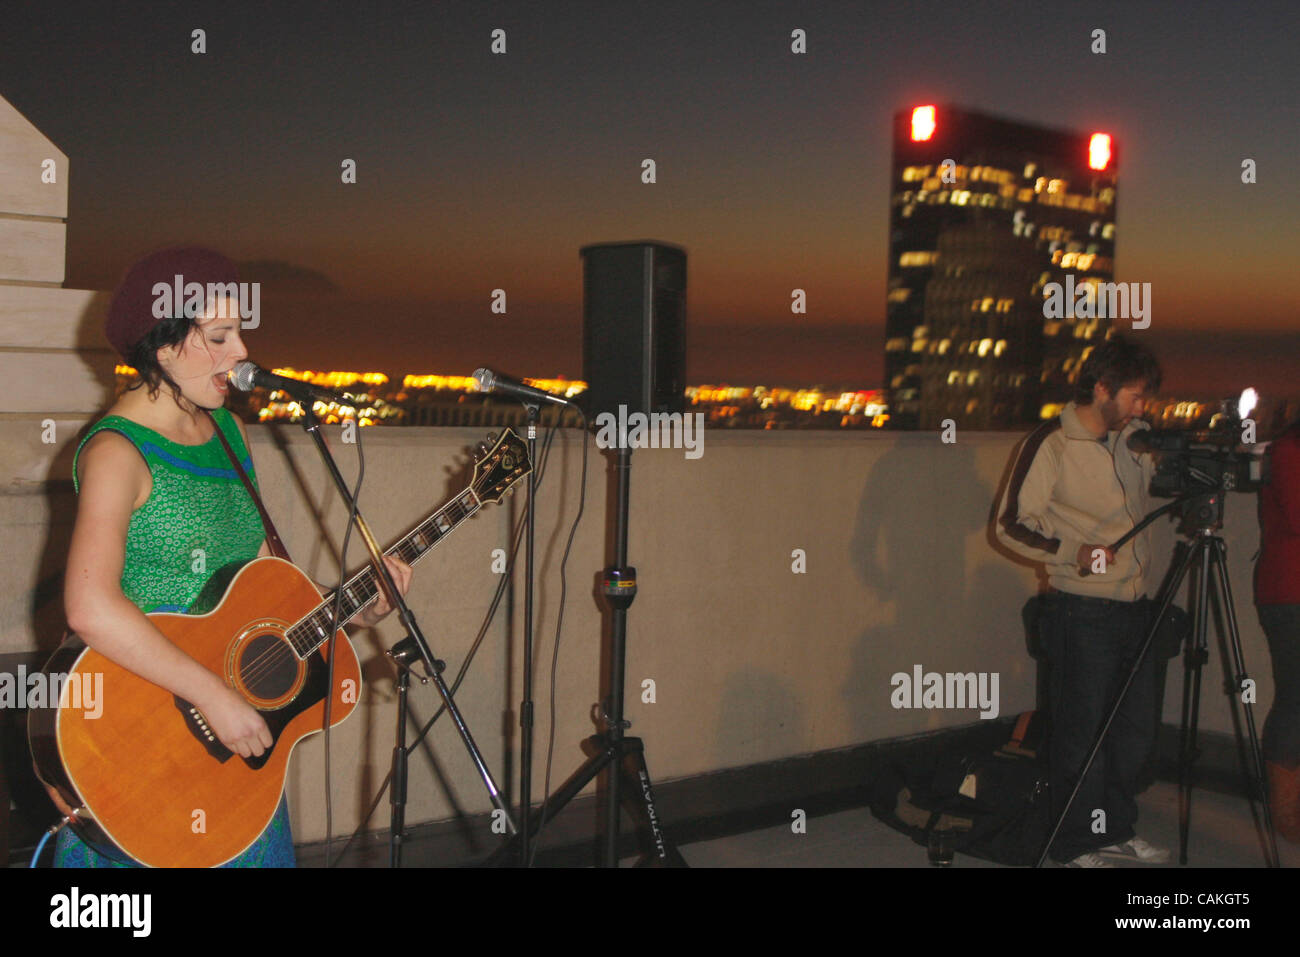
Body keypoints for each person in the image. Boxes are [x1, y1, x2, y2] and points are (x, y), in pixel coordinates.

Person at [47, 247, 411, 867]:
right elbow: (88, 608)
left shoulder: (228, 433)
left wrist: (357, 610)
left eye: (239, 331)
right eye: (220, 335)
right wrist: (212, 695)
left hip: (234, 762)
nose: (242, 351)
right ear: (164, 349)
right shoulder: (116, 452)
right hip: (149, 748)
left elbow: (267, 600)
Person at [993, 335, 1169, 867]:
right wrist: (1075, 552)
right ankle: (1073, 843)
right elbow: (1008, 525)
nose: (1144, 407)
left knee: (1132, 735)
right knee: (1081, 735)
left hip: (1135, 608)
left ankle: (1112, 828)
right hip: (1081, 611)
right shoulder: (1052, 443)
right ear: (1102, 388)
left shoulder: (1133, 439)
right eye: (1136, 396)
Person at [1257, 414, 1300, 840]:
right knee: (1294, 699)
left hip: (1287, 590)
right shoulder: (1287, 450)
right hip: (1289, 593)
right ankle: (1287, 812)